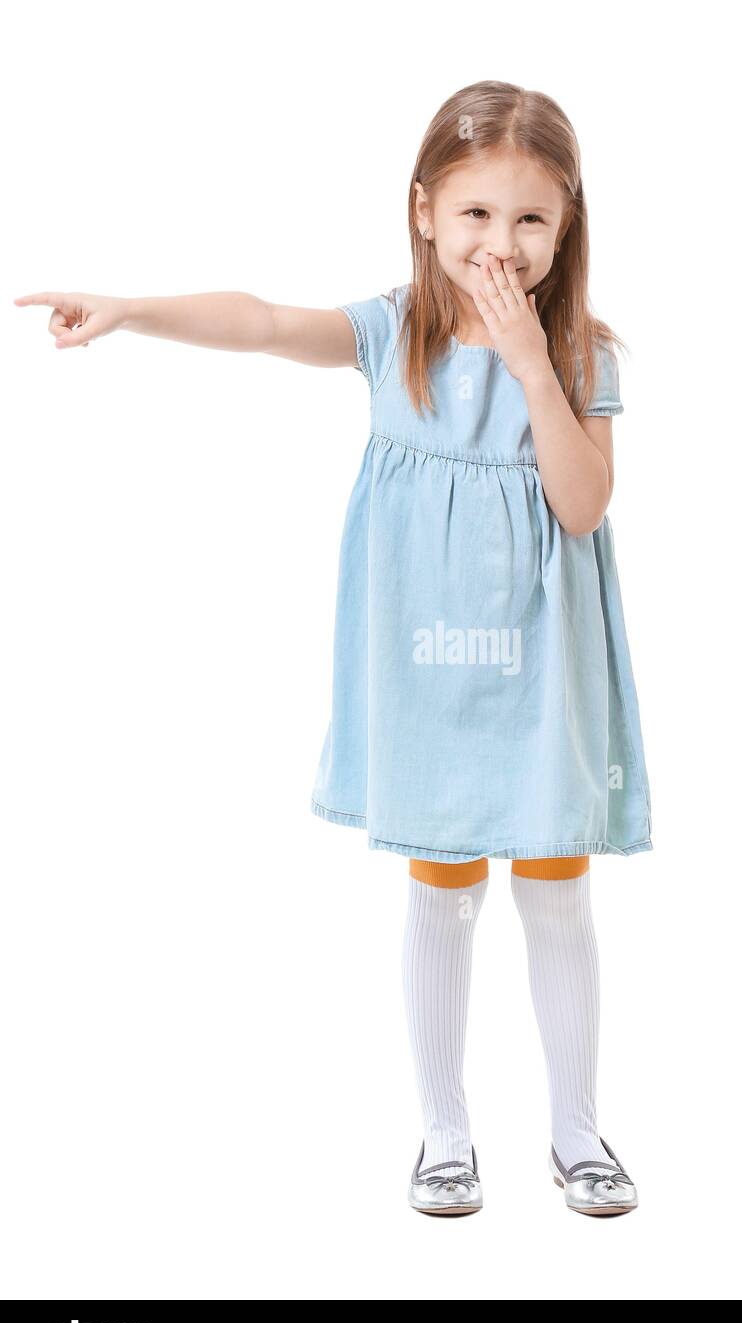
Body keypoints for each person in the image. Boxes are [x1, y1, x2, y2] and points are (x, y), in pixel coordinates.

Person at [15, 79, 652, 1221]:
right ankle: (444, 1132)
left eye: (529, 220)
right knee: (443, 883)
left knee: (557, 884)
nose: (499, 245)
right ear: (423, 211)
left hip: (542, 674)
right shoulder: (390, 332)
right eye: (474, 215)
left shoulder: (580, 351)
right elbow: (260, 320)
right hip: (427, 664)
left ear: (567, 227)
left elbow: (581, 503)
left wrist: (528, 365)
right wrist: (129, 306)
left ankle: (576, 1130)